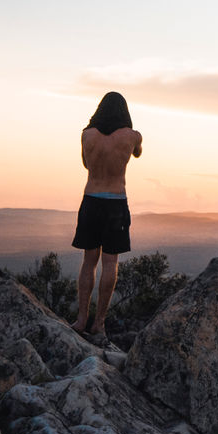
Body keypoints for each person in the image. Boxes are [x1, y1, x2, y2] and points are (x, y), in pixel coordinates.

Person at [71, 91, 142, 336]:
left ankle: (81, 320)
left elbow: (85, 164)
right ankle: (99, 323)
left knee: (88, 262)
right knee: (110, 263)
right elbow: (137, 153)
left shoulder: (86, 135)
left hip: (91, 199)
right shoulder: (132, 136)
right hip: (116, 202)